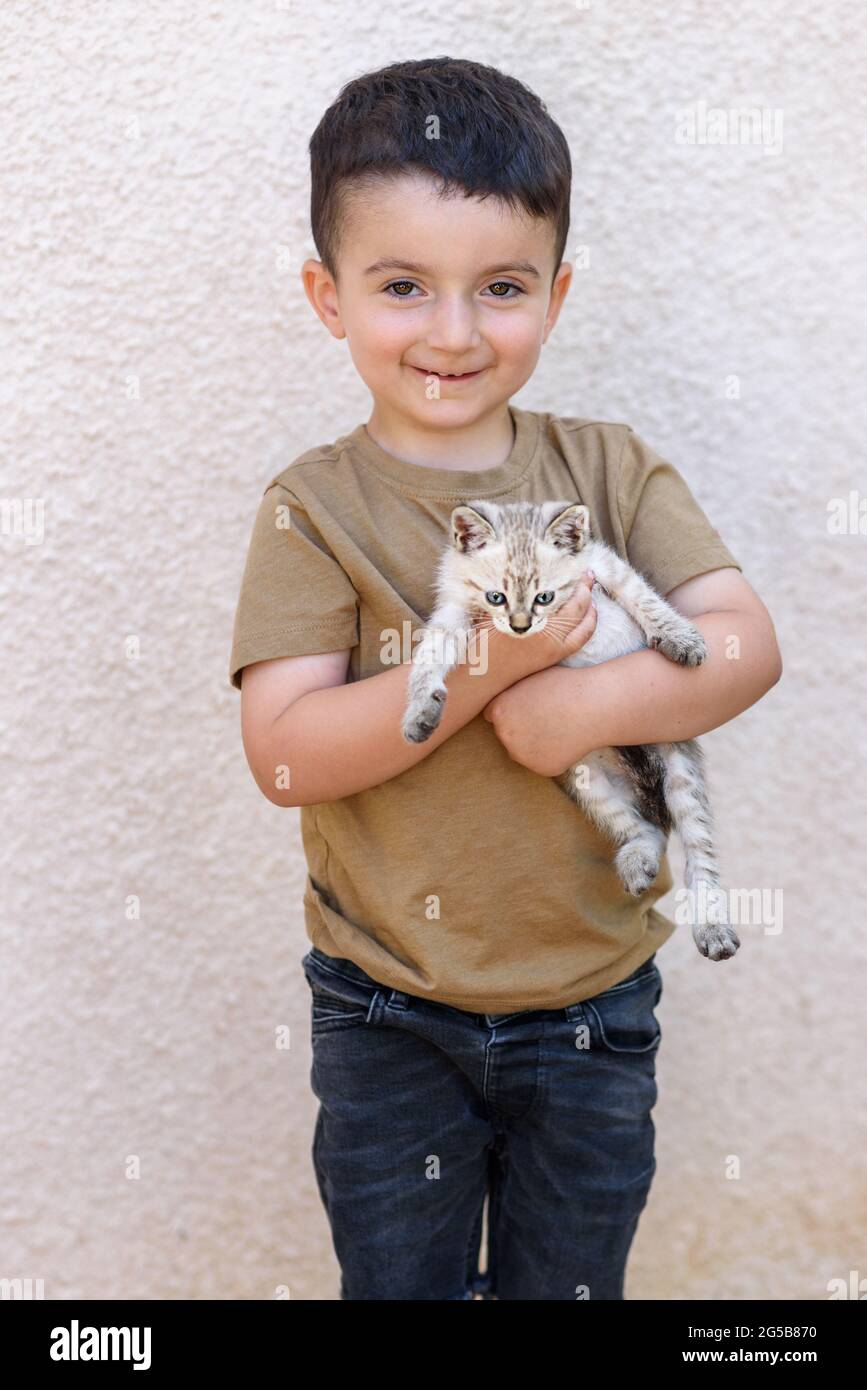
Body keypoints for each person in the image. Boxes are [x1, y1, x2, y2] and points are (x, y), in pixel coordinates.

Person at [228, 57, 782, 1300]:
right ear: (329, 296)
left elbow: (744, 639)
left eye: (503, 288)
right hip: (389, 1015)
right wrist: (497, 663)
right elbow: (285, 751)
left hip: (592, 1010)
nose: (454, 331)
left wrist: (578, 708)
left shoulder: (610, 469)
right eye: (404, 285)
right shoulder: (313, 510)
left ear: (558, 293)